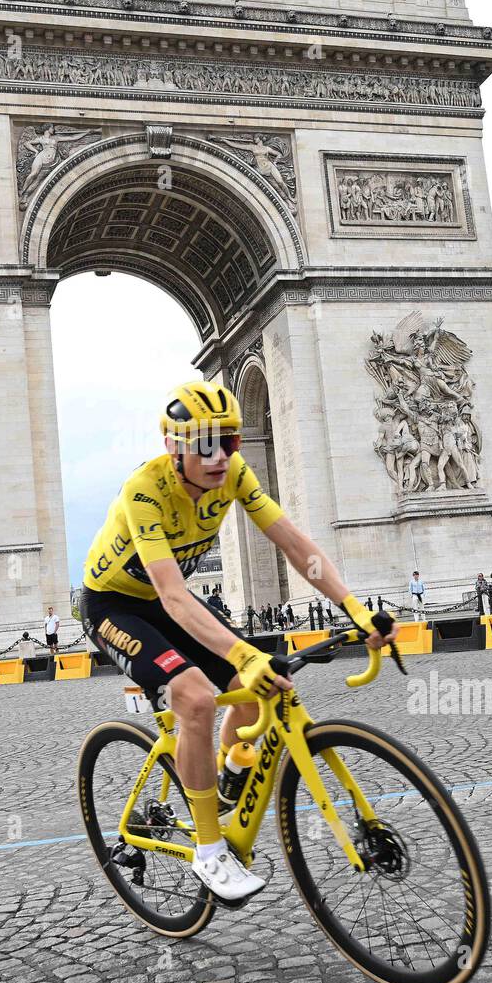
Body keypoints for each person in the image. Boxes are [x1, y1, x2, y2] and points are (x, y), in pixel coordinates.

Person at [81, 381, 397, 904]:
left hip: (168, 599)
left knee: (257, 690)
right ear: (173, 448)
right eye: (203, 446)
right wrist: (244, 653)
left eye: (228, 443)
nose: (218, 458)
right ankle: (209, 852)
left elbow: (297, 546)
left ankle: (227, 772)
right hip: (115, 604)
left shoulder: (235, 474)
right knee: (197, 696)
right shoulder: (144, 491)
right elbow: (175, 597)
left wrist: (356, 608)